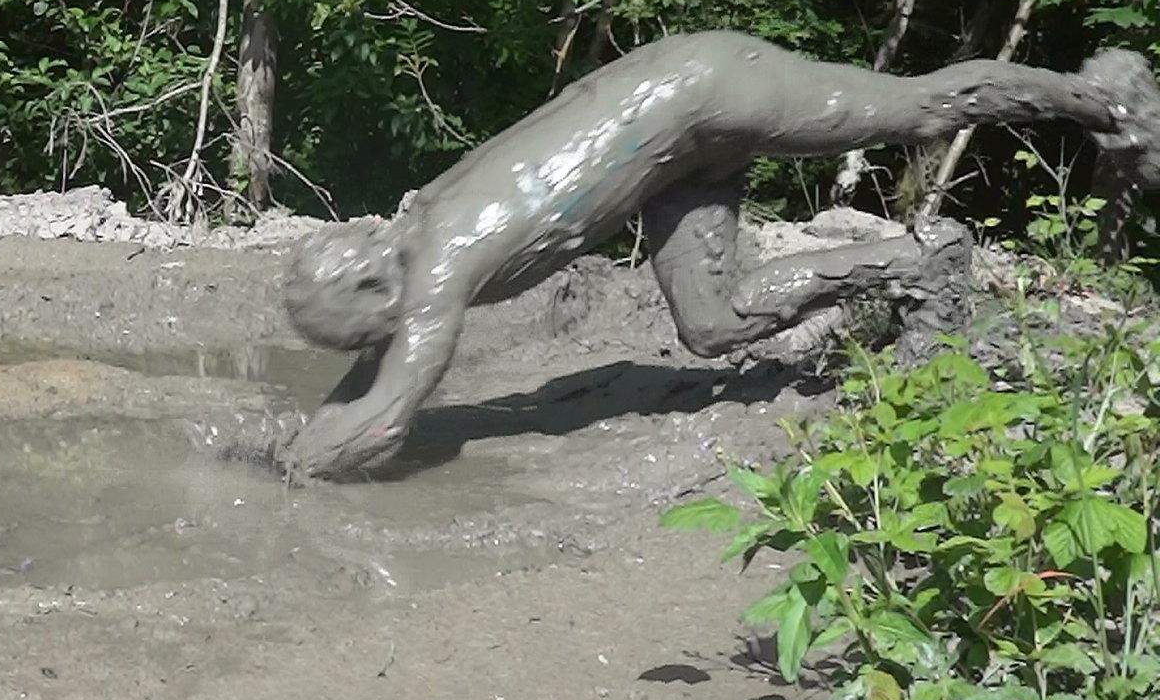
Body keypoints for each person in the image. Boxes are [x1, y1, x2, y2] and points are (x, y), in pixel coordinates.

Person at [278, 31, 1160, 480]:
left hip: (709, 88)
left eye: (362, 327)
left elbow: (389, 412)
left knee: (919, 110)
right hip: (675, 152)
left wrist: (276, 472)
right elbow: (374, 371)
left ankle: (1111, 104)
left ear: (371, 282)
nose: (378, 338)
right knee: (713, 323)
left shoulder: (432, 277)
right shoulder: (412, 231)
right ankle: (915, 268)